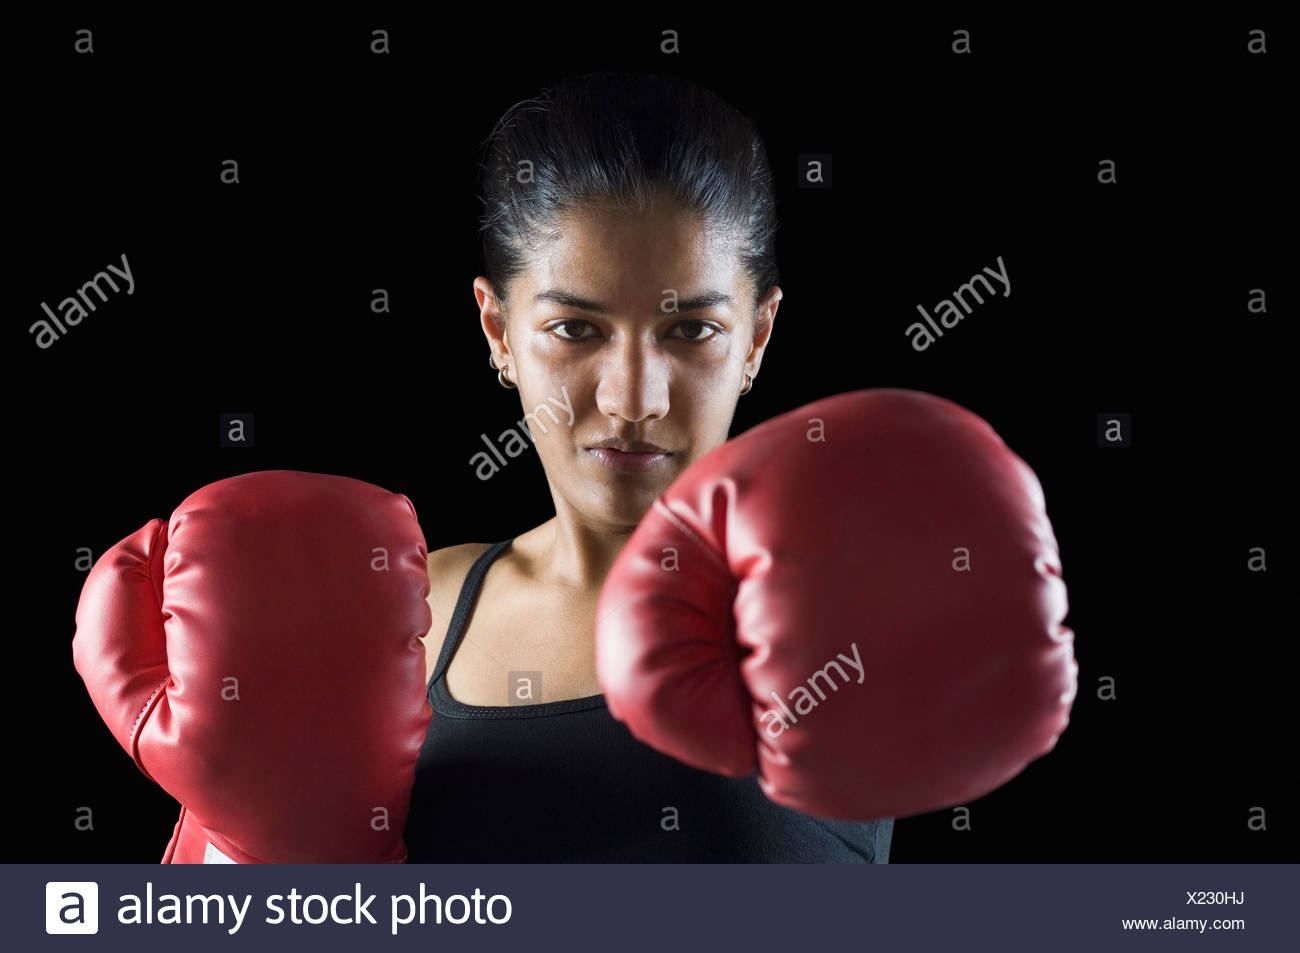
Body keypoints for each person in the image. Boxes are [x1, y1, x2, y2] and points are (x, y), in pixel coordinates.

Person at [404, 71, 894, 861]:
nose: (634, 398)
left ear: (757, 340)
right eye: (575, 329)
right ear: (497, 330)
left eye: (691, 331)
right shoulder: (413, 611)